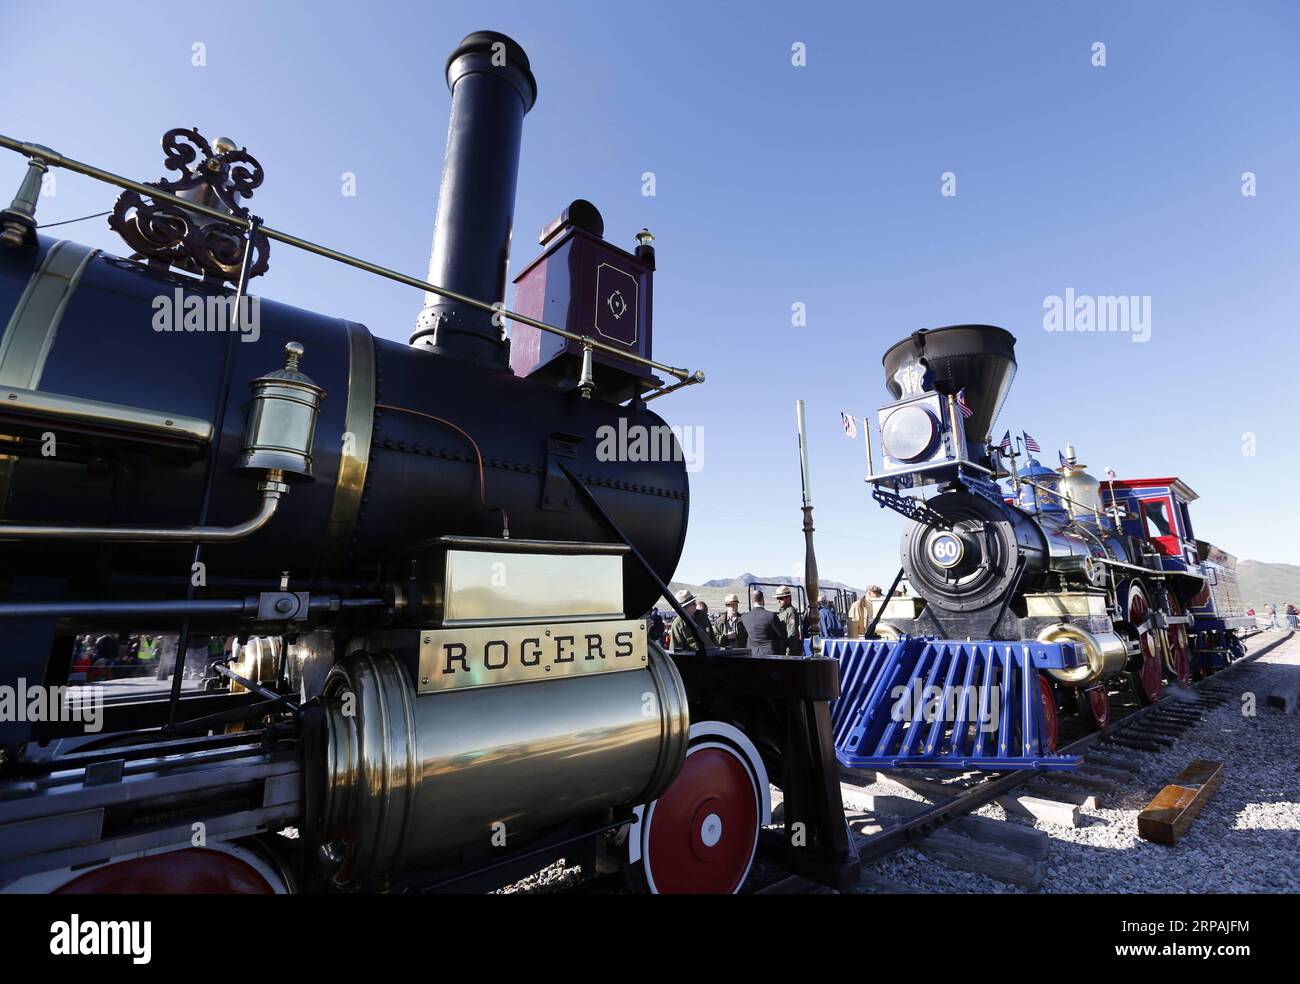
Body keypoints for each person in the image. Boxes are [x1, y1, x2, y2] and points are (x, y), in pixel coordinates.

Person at [739, 589, 789, 657]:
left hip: (752, 654)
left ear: (752, 601)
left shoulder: (744, 617)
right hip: (770, 655)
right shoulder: (771, 616)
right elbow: (782, 634)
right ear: (763, 600)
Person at [774, 585, 801, 656]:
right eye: (777, 598)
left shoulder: (790, 612)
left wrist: (788, 654)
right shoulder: (783, 612)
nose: (778, 600)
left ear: (788, 598)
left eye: (780, 598)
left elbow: (792, 635)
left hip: (789, 653)